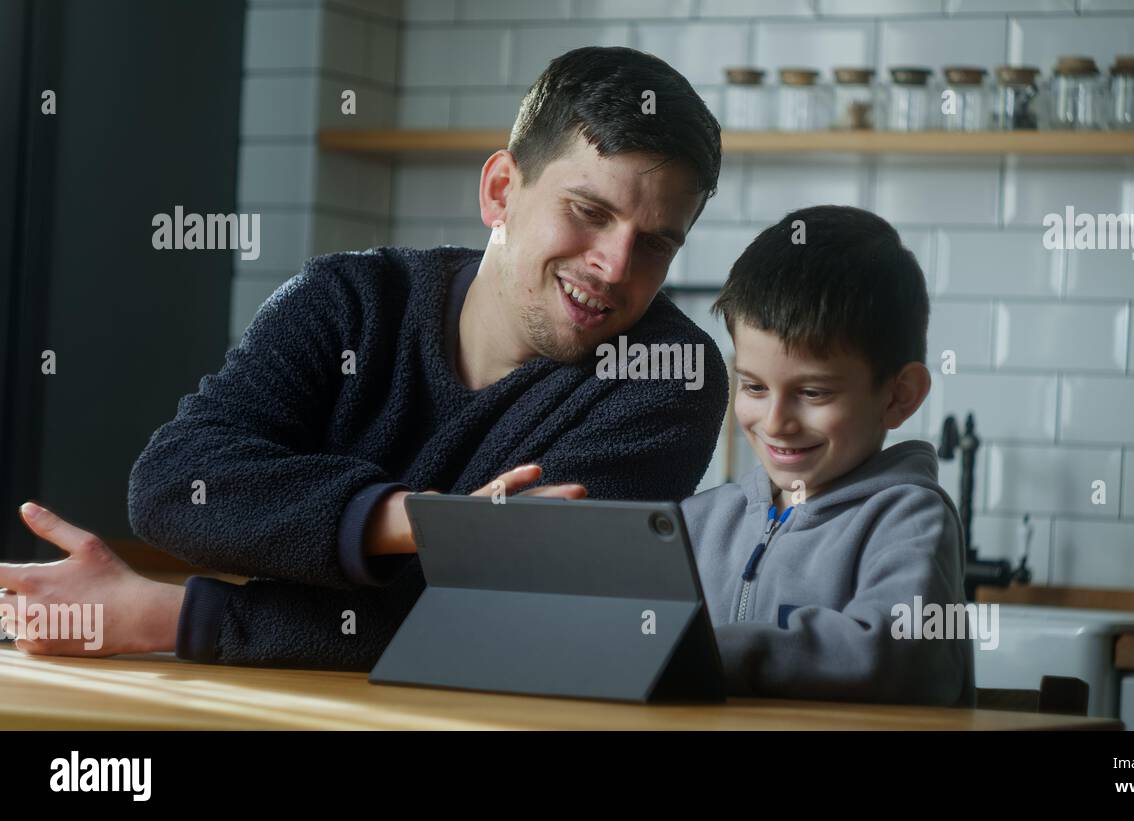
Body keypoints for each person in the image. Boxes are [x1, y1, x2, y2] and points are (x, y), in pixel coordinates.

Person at [0, 46, 728, 669]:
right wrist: (421, 524)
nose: (614, 264)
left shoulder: (666, 379)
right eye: (590, 212)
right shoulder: (346, 296)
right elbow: (173, 483)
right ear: (502, 190)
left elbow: (502, 630)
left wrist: (174, 616)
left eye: (656, 240)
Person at [682, 205, 975, 706]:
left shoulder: (909, 519)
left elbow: (891, 656)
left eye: (814, 393)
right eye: (753, 386)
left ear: (898, 395)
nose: (776, 422)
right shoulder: (700, 521)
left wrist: (703, 653)